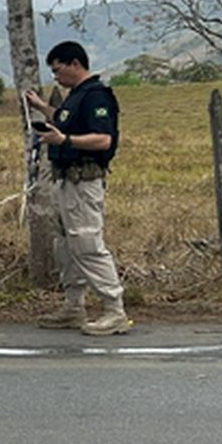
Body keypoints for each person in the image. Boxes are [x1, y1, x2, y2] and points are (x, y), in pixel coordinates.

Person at [24, 41, 128, 336]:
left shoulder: (97, 96)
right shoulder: (75, 98)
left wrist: (64, 142)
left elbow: (102, 139)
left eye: (58, 70)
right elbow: (65, 122)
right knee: (66, 246)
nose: (55, 77)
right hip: (66, 180)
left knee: (86, 243)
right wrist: (44, 109)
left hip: (84, 181)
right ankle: (74, 306)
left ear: (74, 64)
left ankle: (114, 309)